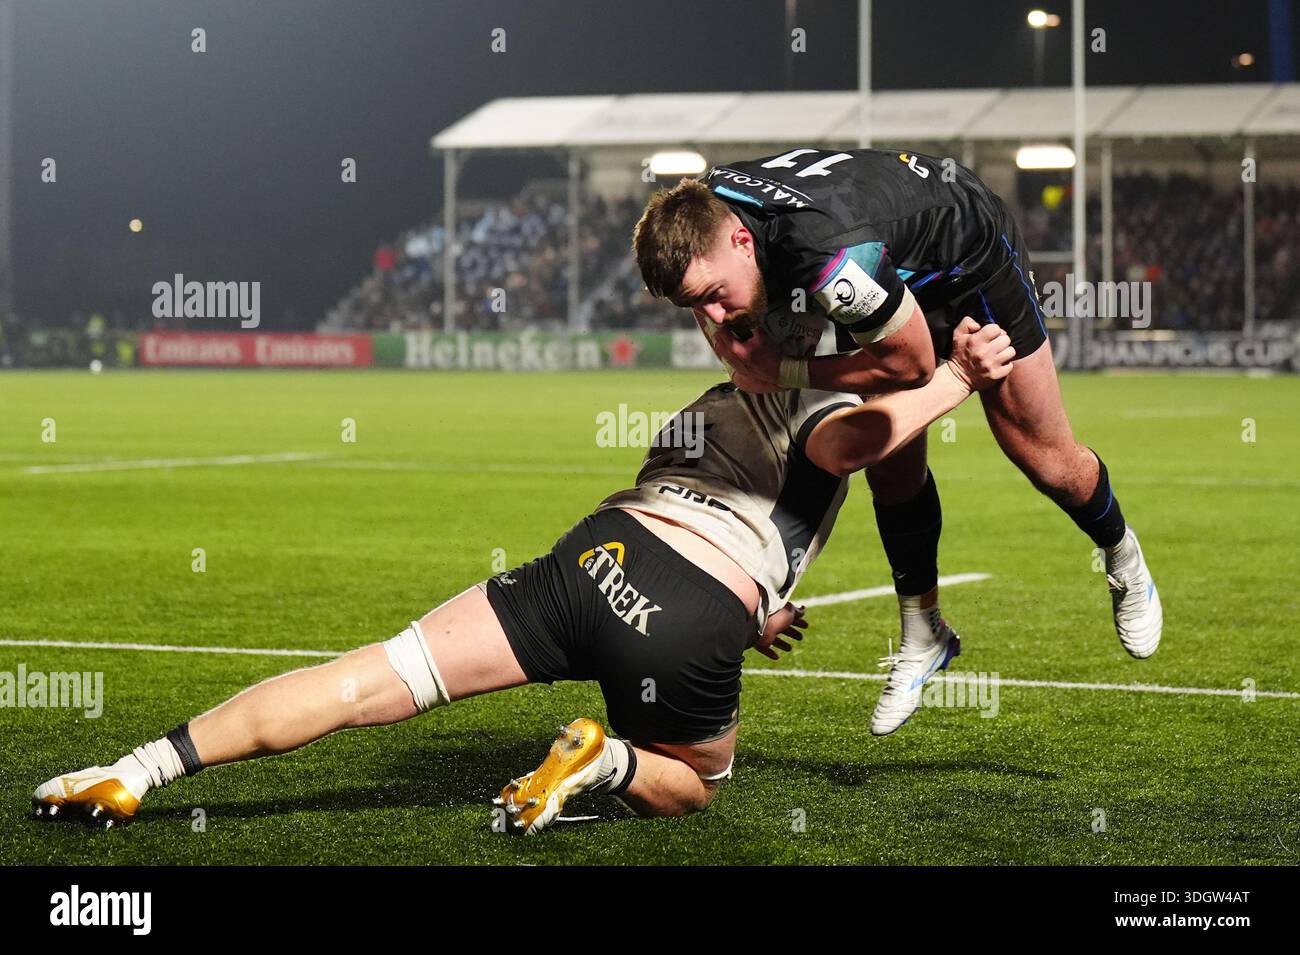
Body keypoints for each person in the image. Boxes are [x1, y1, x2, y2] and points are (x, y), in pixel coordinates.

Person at [32, 321, 1011, 835]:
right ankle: (604, 759)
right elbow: (849, 446)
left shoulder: (717, 395)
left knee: (368, 676)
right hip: (687, 612)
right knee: (695, 784)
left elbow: (695, 507)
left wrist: (749, 601)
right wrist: (956, 381)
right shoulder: (829, 404)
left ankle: (134, 770)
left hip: (595, 560)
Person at [632, 147, 1162, 736]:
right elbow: (730, 323)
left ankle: (1121, 554)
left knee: (1043, 458)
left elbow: (909, 367)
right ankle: (924, 629)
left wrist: (784, 371)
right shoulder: (704, 216)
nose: (711, 313)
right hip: (885, 259)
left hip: (963, 256)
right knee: (890, 459)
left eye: (712, 293)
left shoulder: (827, 253)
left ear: (740, 242)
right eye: (691, 305)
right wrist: (745, 346)